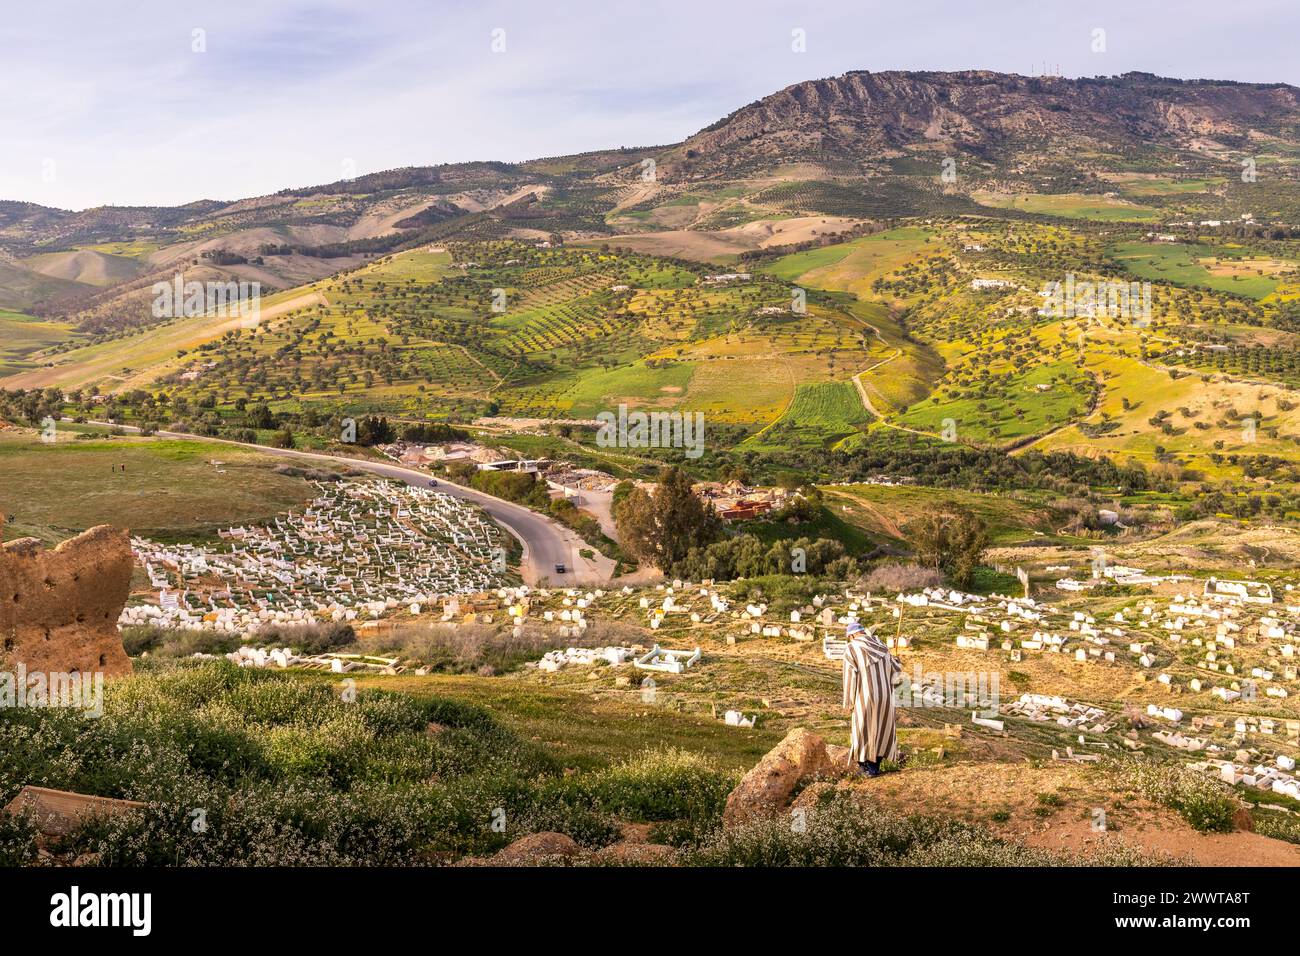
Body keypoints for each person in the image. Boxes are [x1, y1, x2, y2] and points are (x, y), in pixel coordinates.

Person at [841, 620, 901, 778]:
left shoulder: (851, 648)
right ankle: (875, 767)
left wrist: (849, 702)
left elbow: (850, 677)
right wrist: (896, 660)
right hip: (886, 696)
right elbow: (896, 670)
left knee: (862, 730)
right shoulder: (881, 645)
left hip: (865, 696)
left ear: (852, 635)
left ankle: (867, 768)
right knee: (882, 729)